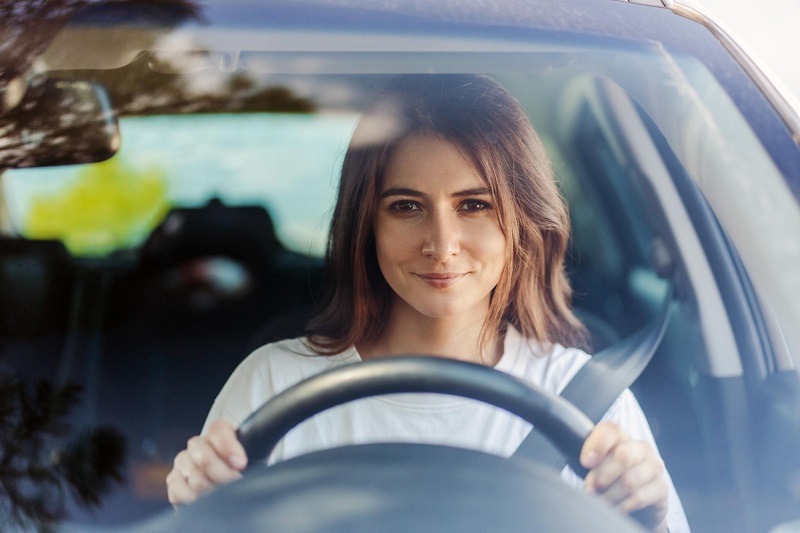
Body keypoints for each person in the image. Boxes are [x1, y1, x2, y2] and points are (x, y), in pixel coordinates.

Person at [166, 74, 689, 532]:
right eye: (407, 206)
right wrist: (194, 507)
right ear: (366, 223)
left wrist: (650, 520)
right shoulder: (272, 385)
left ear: (522, 220)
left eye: (475, 205)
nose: (442, 244)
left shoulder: (587, 404)